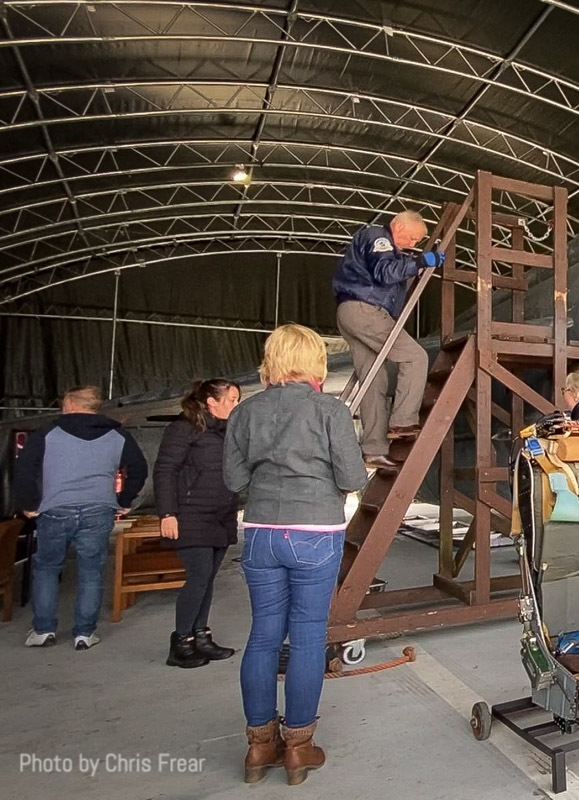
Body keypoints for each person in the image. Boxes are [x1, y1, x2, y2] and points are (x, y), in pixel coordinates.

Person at [225, 324, 368, 785]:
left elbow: (234, 481)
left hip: (261, 532)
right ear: (315, 363)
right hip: (315, 532)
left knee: (263, 636)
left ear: (272, 361)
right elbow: (353, 479)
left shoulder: (245, 412)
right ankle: (299, 749)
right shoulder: (331, 410)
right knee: (306, 638)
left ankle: (259, 747)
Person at [13, 385, 148, 649]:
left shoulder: (48, 432)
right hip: (99, 509)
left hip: (55, 509)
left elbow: (24, 468)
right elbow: (139, 468)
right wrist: (124, 499)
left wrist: (29, 503)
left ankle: (43, 630)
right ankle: (84, 634)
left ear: (71, 403)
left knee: (47, 568)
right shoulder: (118, 435)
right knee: (91, 571)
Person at [332, 210, 444, 471]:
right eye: (413, 238)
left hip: (352, 312)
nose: (413, 244)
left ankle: (373, 450)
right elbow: (385, 272)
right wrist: (421, 261)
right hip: (365, 311)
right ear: (399, 226)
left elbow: (388, 273)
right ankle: (403, 421)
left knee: (374, 380)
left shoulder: (388, 250)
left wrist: (414, 266)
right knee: (415, 357)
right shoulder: (378, 238)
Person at [154, 378, 241, 669]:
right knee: (199, 576)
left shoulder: (228, 431)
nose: (235, 405)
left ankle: (201, 636)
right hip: (191, 514)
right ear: (211, 402)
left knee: (208, 578)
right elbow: (165, 470)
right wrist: (167, 513)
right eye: (231, 400)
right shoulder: (184, 428)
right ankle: (181, 642)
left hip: (221, 514)